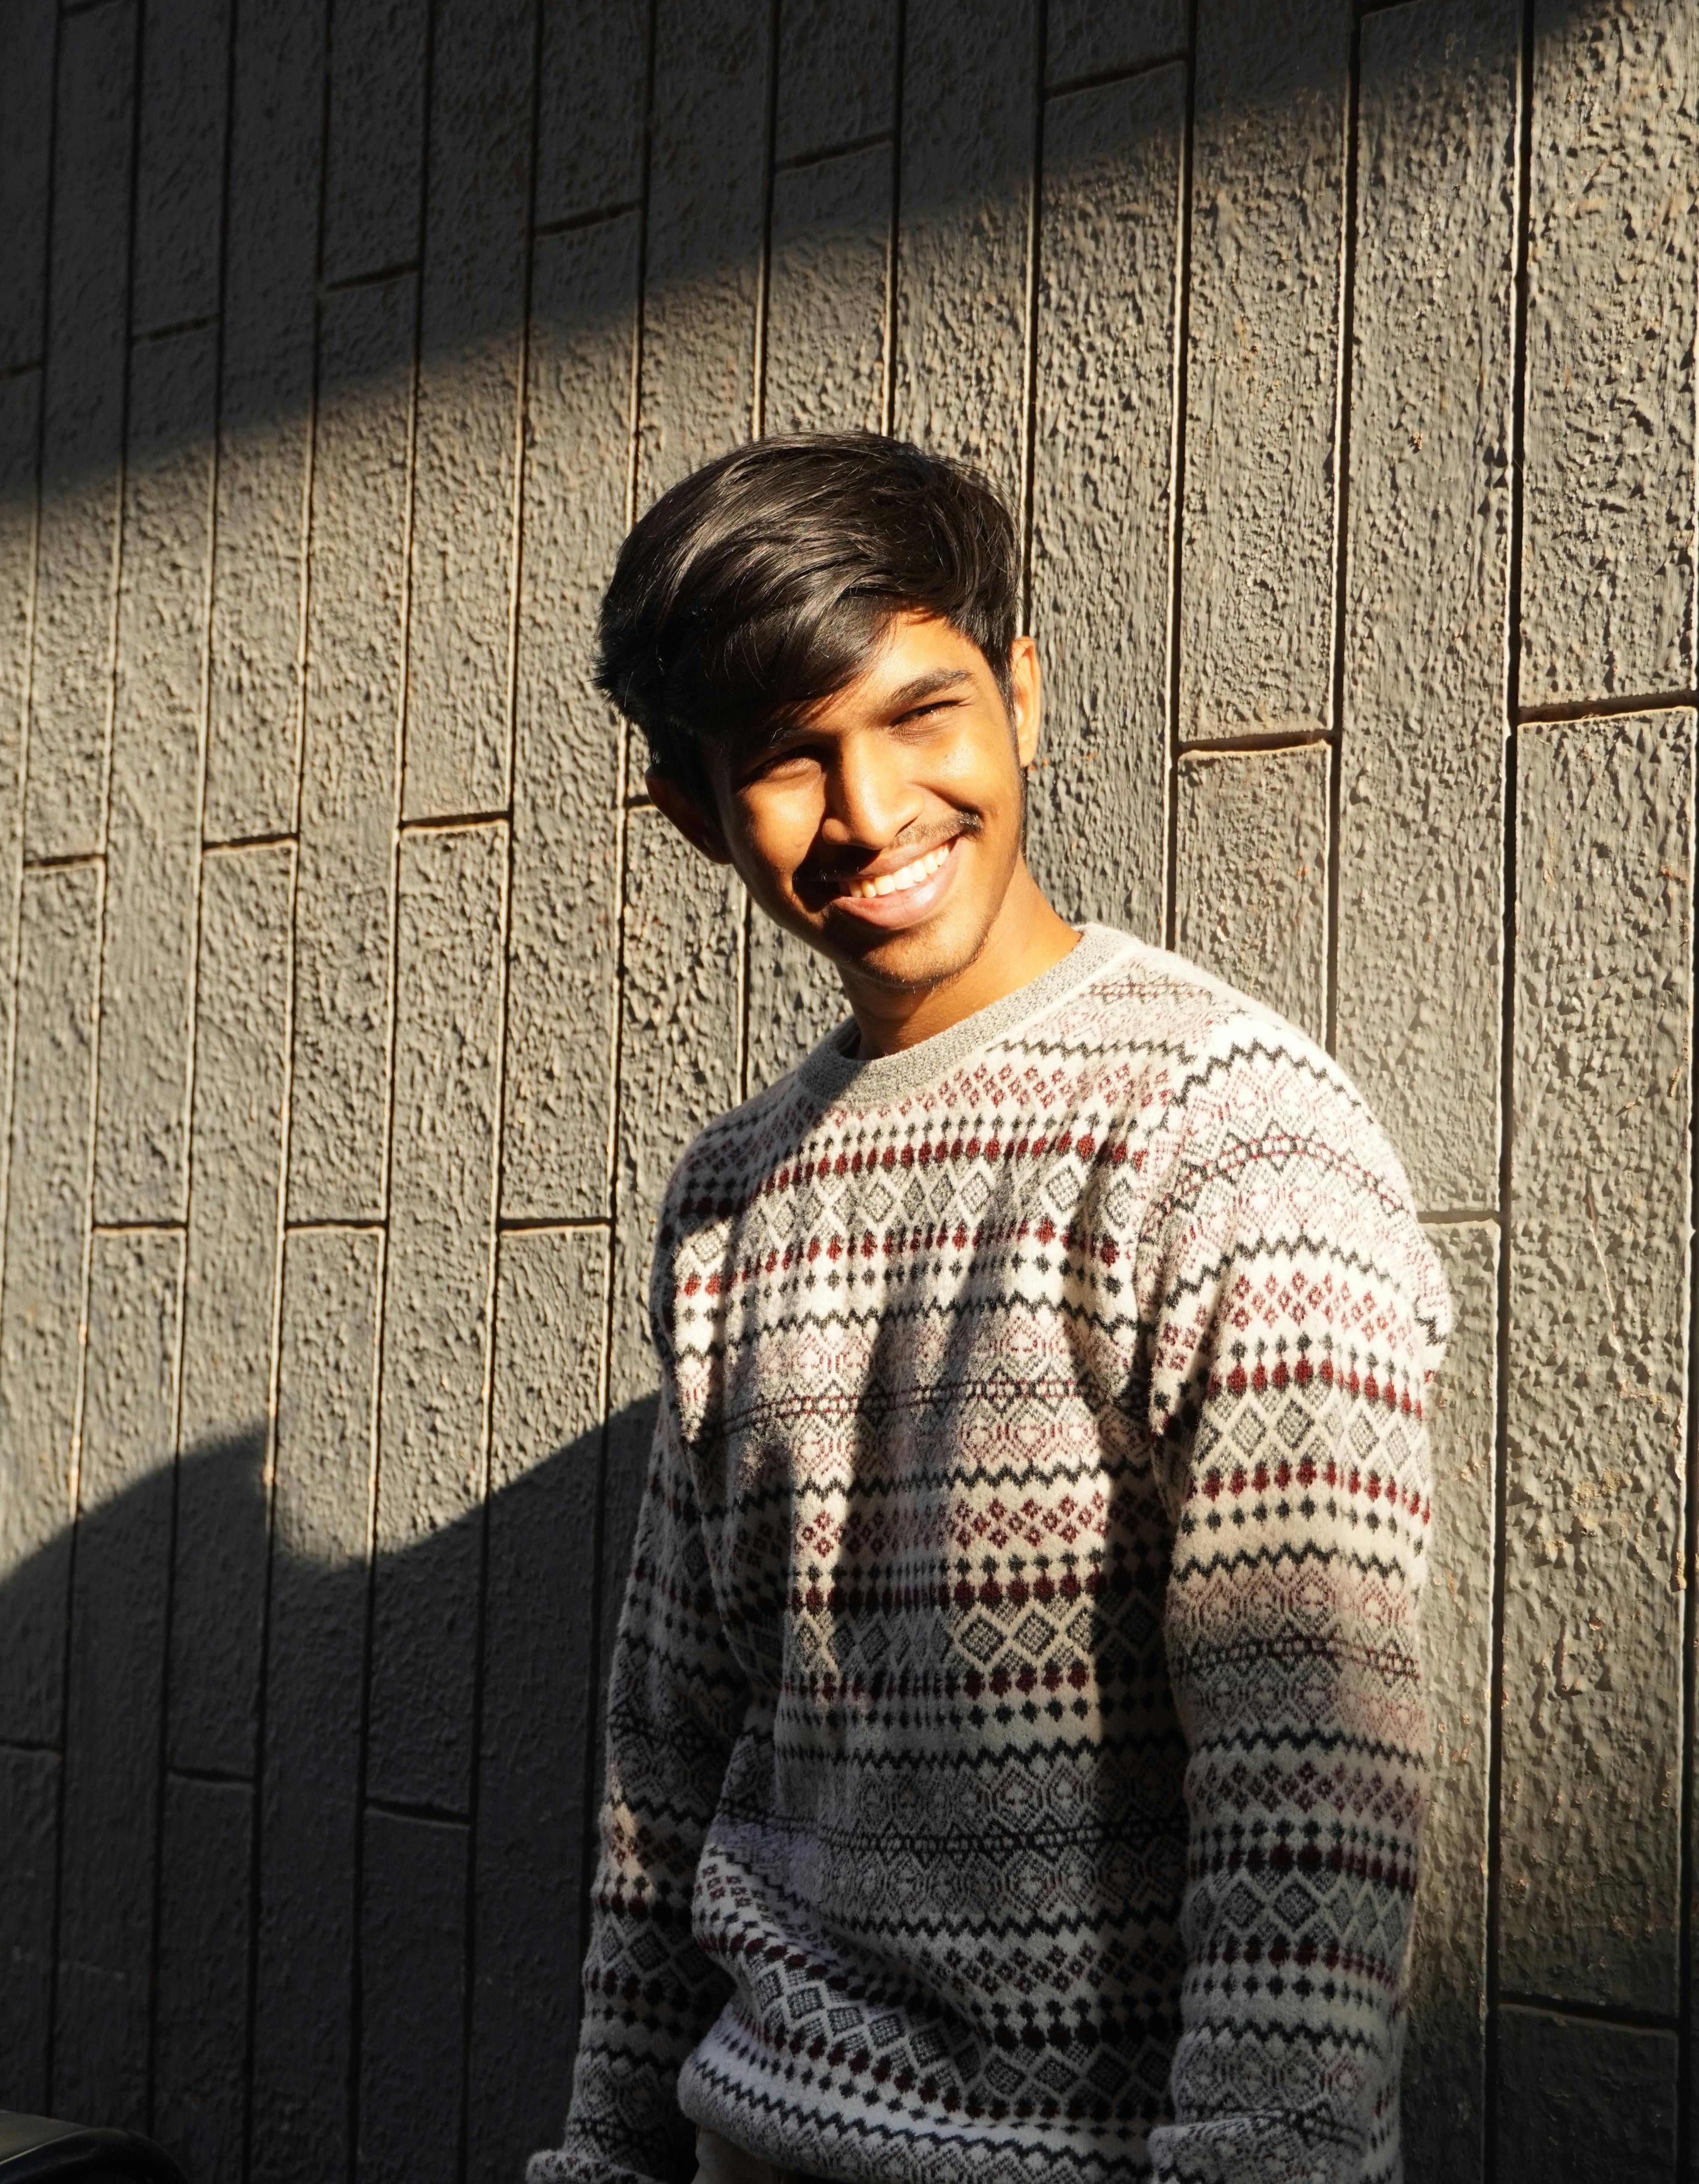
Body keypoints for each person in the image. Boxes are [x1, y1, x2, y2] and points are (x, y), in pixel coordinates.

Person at [529, 433, 1450, 2184]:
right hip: (756, 2136)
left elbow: (1308, 1773)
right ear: (692, 810)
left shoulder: (1220, 1128)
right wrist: (605, 2154)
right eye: (788, 760)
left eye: (919, 716)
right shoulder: (729, 1197)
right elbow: (674, 1755)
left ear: (1019, 695)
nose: (872, 813)